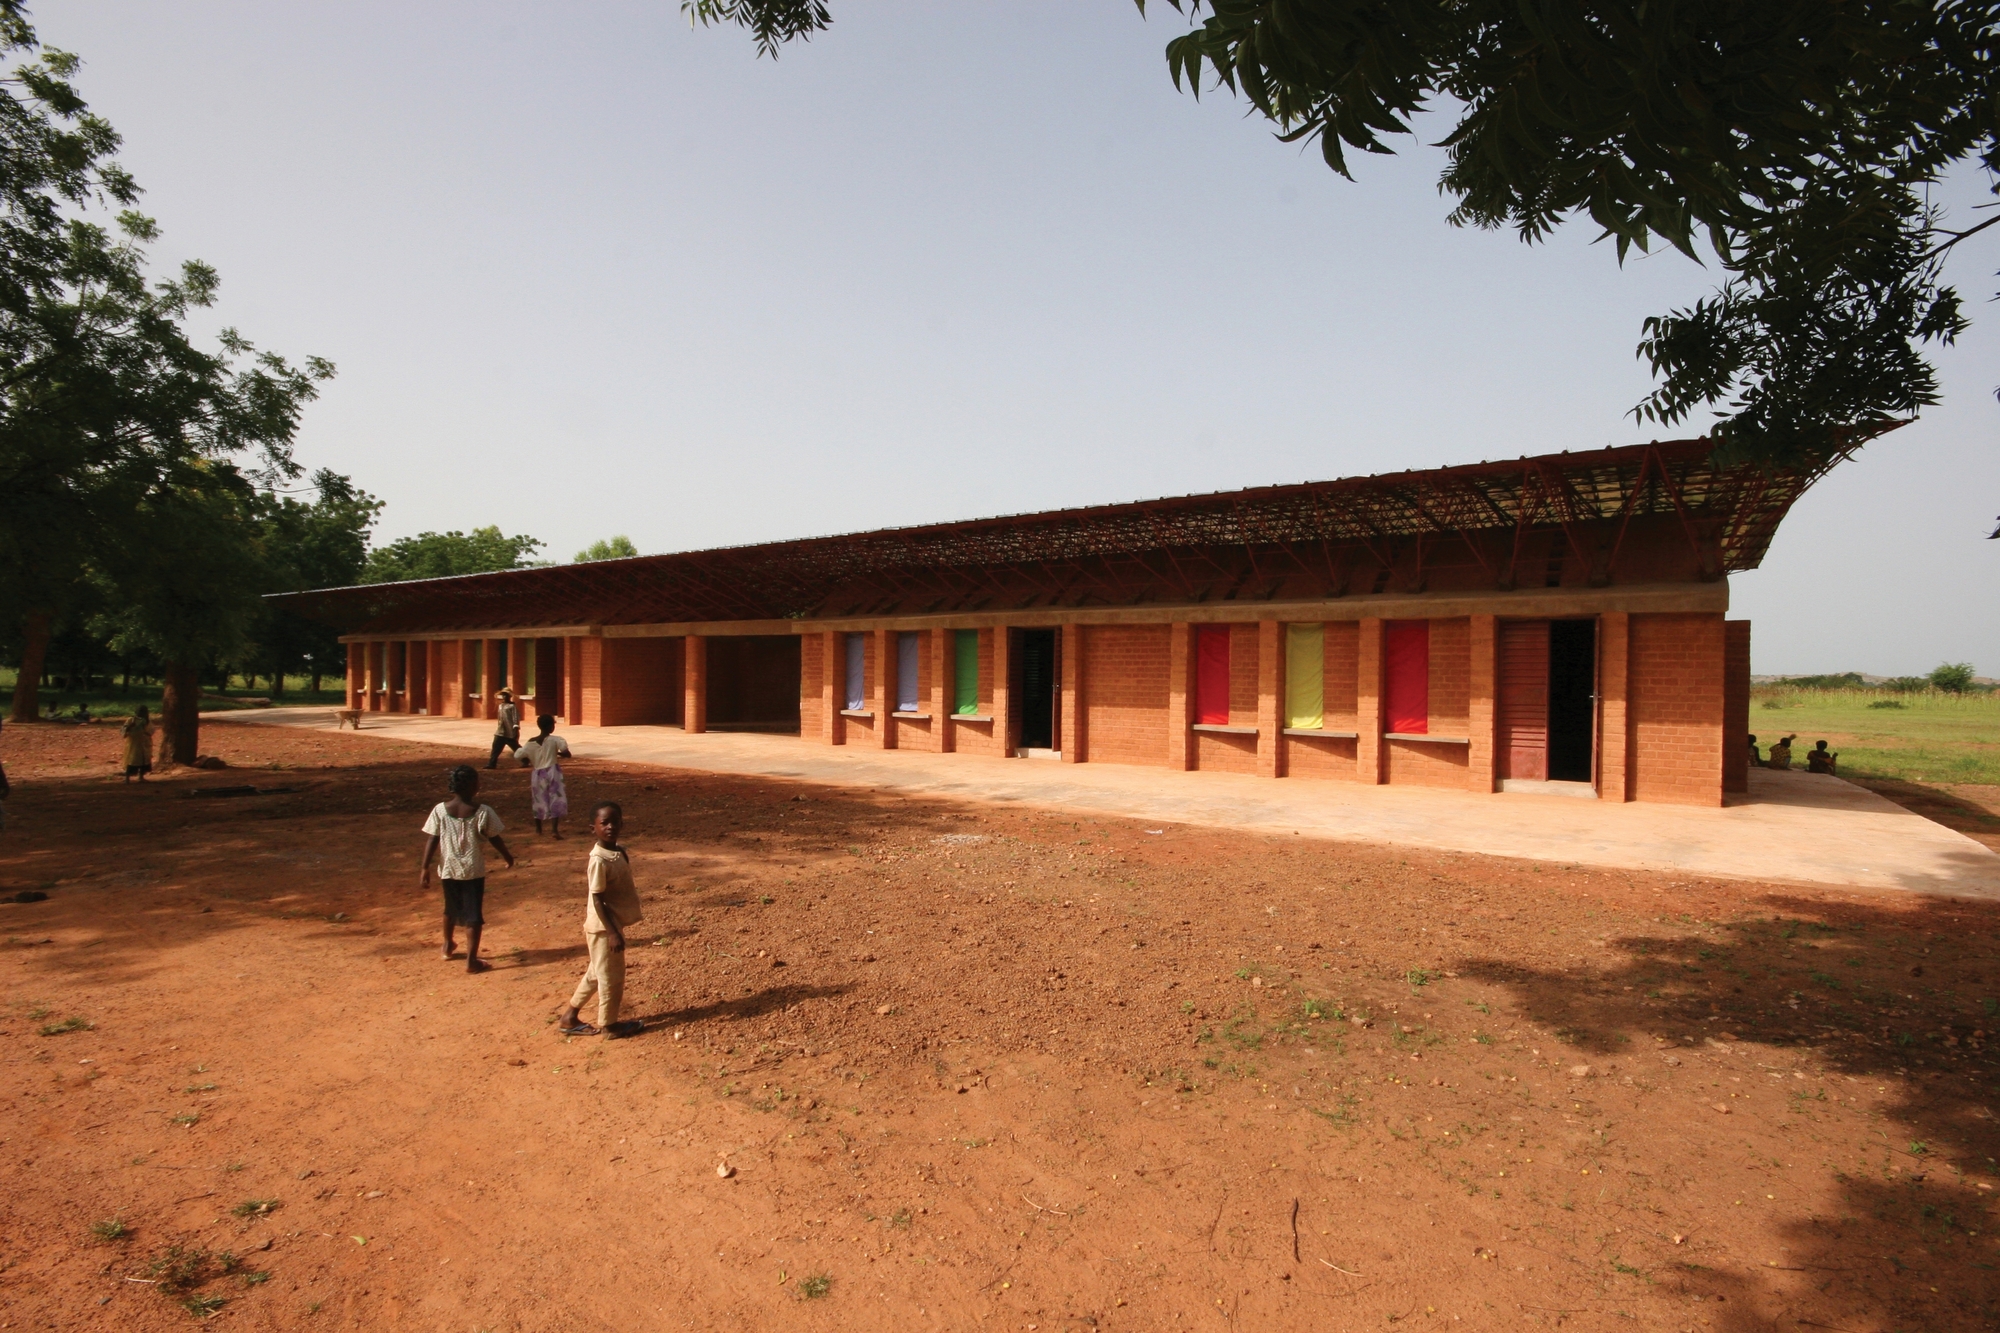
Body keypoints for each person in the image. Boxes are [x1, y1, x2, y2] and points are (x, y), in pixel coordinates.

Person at [556, 801, 644, 1038]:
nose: (610, 827)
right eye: (604, 823)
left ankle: (569, 1017)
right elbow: (597, 899)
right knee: (611, 978)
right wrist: (613, 932)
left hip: (610, 924)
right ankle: (610, 1025)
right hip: (603, 928)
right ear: (592, 828)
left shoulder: (617, 852)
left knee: (596, 972)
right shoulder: (598, 860)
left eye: (615, 822)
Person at [418, 765, 515, 973]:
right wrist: (508, 856)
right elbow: (495, 837)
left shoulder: (440, 810)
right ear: (473, 786)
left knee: (450, 908)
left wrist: (425, 867)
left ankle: (447, 945)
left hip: (449, 869)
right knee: (473, 915)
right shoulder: (483, 812)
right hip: (472, 870)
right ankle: (471, 960)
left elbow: (432, 839)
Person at [517, 714, 572, 838]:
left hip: (538, 773)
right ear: (551, 726)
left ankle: (538, 829)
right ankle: (554, 830)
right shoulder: (555, 740)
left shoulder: (530, 742)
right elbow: (566, 752)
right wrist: (560, 754)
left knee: (538, 798)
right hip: (553, 771)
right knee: (556, 798)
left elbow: (518, 755)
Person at [487, 688, 521, 769]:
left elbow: (515, 718)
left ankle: (525, 760)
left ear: (509, 696)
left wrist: (515, 729)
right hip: (500, 731)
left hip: (509, 731)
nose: (504, 697)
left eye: (506, 695)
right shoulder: (501, 706)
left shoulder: (512, 706)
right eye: (503, 695)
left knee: (516, 748)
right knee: (495, 747)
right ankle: (492, 763)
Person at [121, 706, 152, 782]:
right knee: (131, 760)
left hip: (143, 744)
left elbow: (150, 731)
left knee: (143, 761)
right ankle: (127, 778)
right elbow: (123, 729)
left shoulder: (146, 721)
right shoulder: (130, 720)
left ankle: (141, 777)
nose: (141, 713)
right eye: (140, 711)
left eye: (143, 712)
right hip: (133, 744)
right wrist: (130, 727)